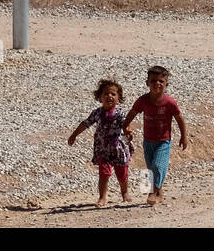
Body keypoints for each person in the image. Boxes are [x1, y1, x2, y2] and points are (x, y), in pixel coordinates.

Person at [124, 66, 188, 205]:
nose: (157, 84)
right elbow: (132, 112)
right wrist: (125, 126)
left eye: (161, 81)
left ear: (166, 84)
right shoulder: (143, 100)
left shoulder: (170, 102)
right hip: (148, 141)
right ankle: (159, 194)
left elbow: (180, 119)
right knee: (151, 168)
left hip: (163, 141)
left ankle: (152, 193)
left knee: (158, 166)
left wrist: (184, 136)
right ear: (147, 83)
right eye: (153, 81)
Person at [68, 79, 134, 207]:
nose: (110, 96)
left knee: (122, 174)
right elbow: (86, 123)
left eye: (113, 94)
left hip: (118, 149)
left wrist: (128, 131)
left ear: (119, 97)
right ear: (100, 97)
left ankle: (125, 192)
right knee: (104, 173)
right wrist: (74, 134)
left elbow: (126, 124)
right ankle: (102, 197)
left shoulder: (120, 113)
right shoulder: (97, 113)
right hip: (103, 148)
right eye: (106, 94)